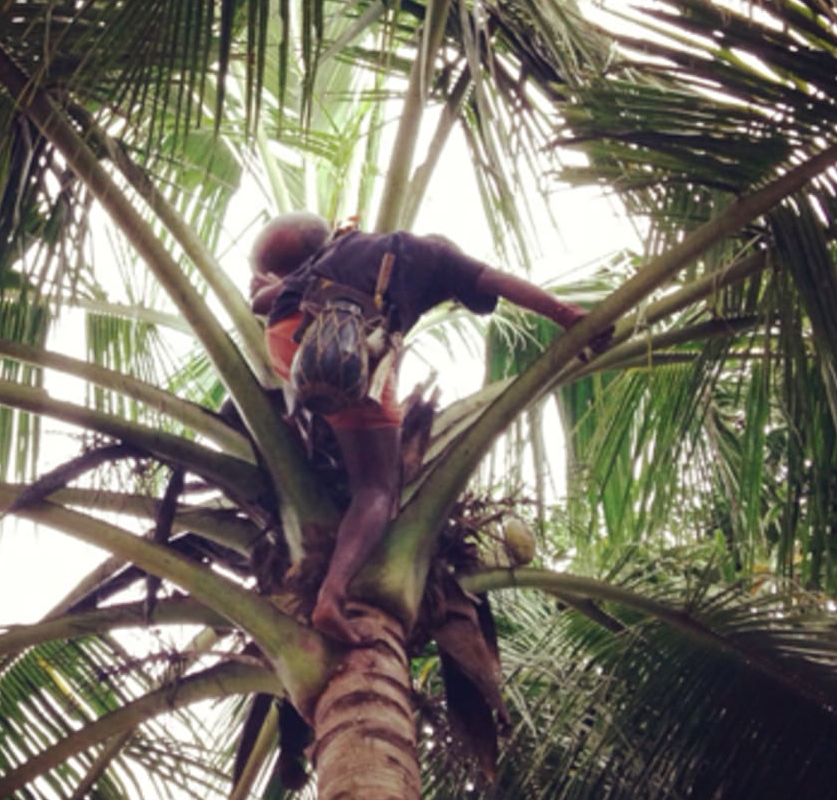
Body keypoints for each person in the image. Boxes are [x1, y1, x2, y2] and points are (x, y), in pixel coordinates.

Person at [249, 212, 611, 644]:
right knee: (377, 489)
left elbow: (261, 303)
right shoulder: (434, 256)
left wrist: (261, 285)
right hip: (344, 353)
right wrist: (568, 316)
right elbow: (501, 283)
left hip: (290, 344)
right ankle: (331, 595)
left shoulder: (337, 251)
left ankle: (319, 440)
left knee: (342, 426)